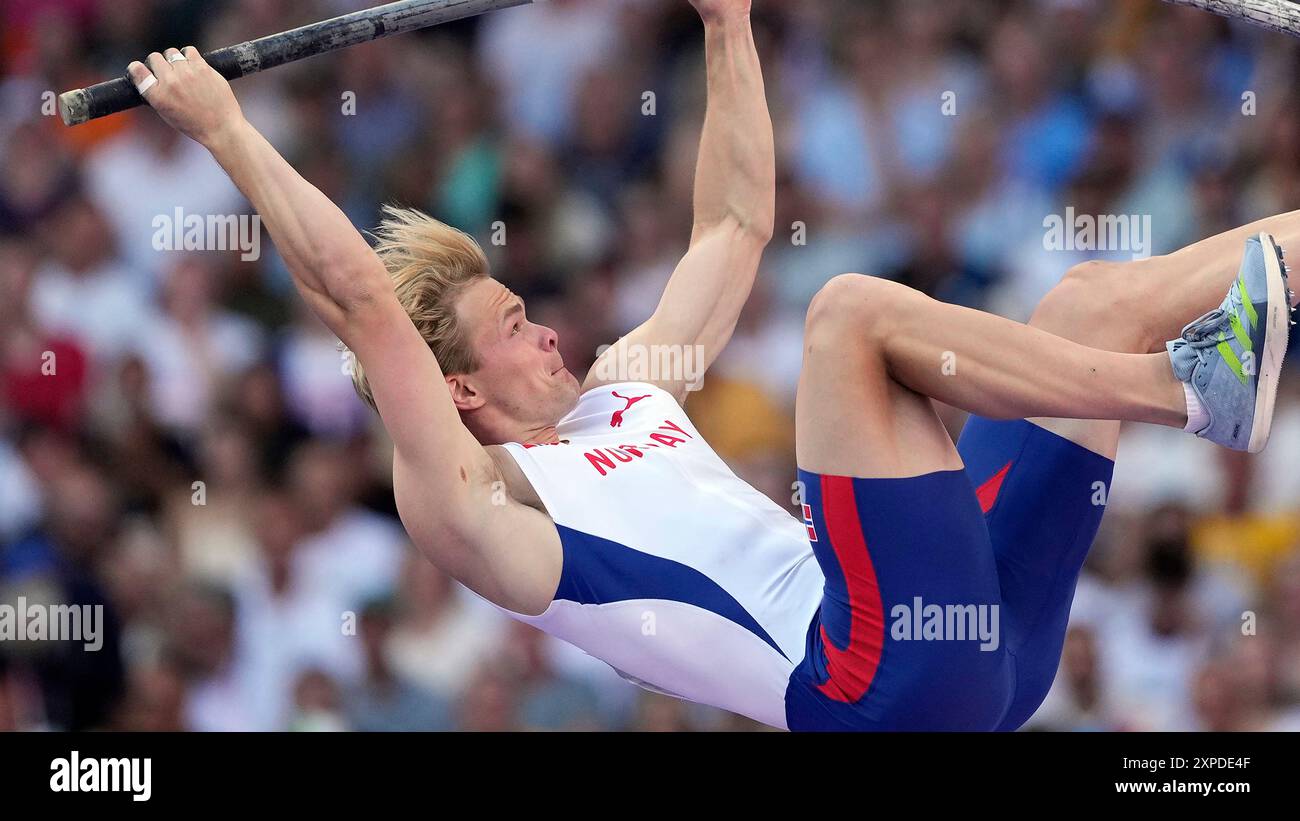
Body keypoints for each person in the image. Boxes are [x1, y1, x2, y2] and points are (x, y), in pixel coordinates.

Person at [123, 0, 1294, 731]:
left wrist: (724, 23)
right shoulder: (483, 504)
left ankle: (1236, 320)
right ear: (460, 390)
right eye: (515, 324)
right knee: (841, 315)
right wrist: (226, 129)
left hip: (988, 656)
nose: (548, 332)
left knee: (1091, 298)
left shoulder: (631, 384)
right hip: (867, 684)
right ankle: (1184, 390)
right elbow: (358, 300)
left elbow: (733, 225)